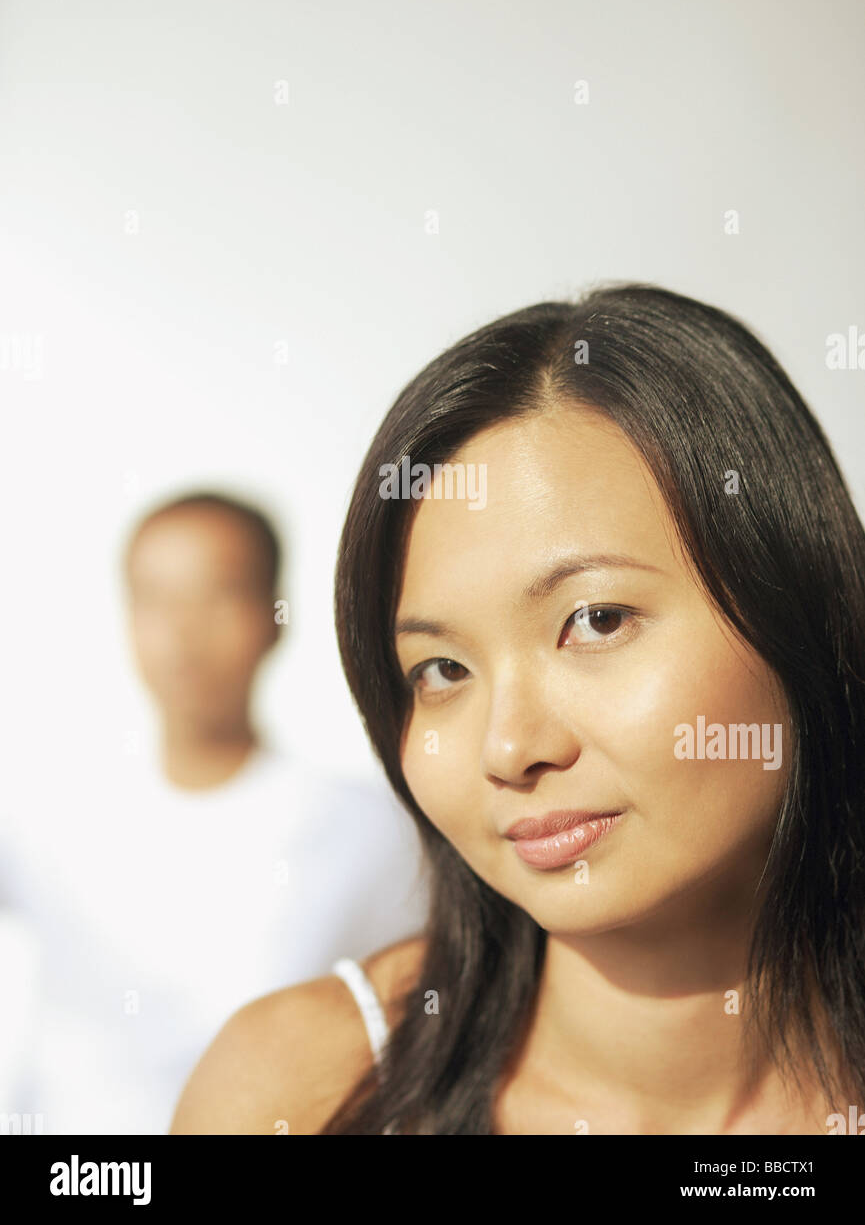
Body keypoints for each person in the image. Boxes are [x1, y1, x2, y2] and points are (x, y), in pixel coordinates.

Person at [170, 285, 865, 1135]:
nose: (508, 748)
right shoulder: (293, 1092)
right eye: (442, 669)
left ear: (798, 602)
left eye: (596, 620)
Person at [0, 491, 428, 1134]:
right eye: (155, 598)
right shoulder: (45, 811)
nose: (184, 632)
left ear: (275, 616)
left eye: (219, 594)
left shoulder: (370, 832)